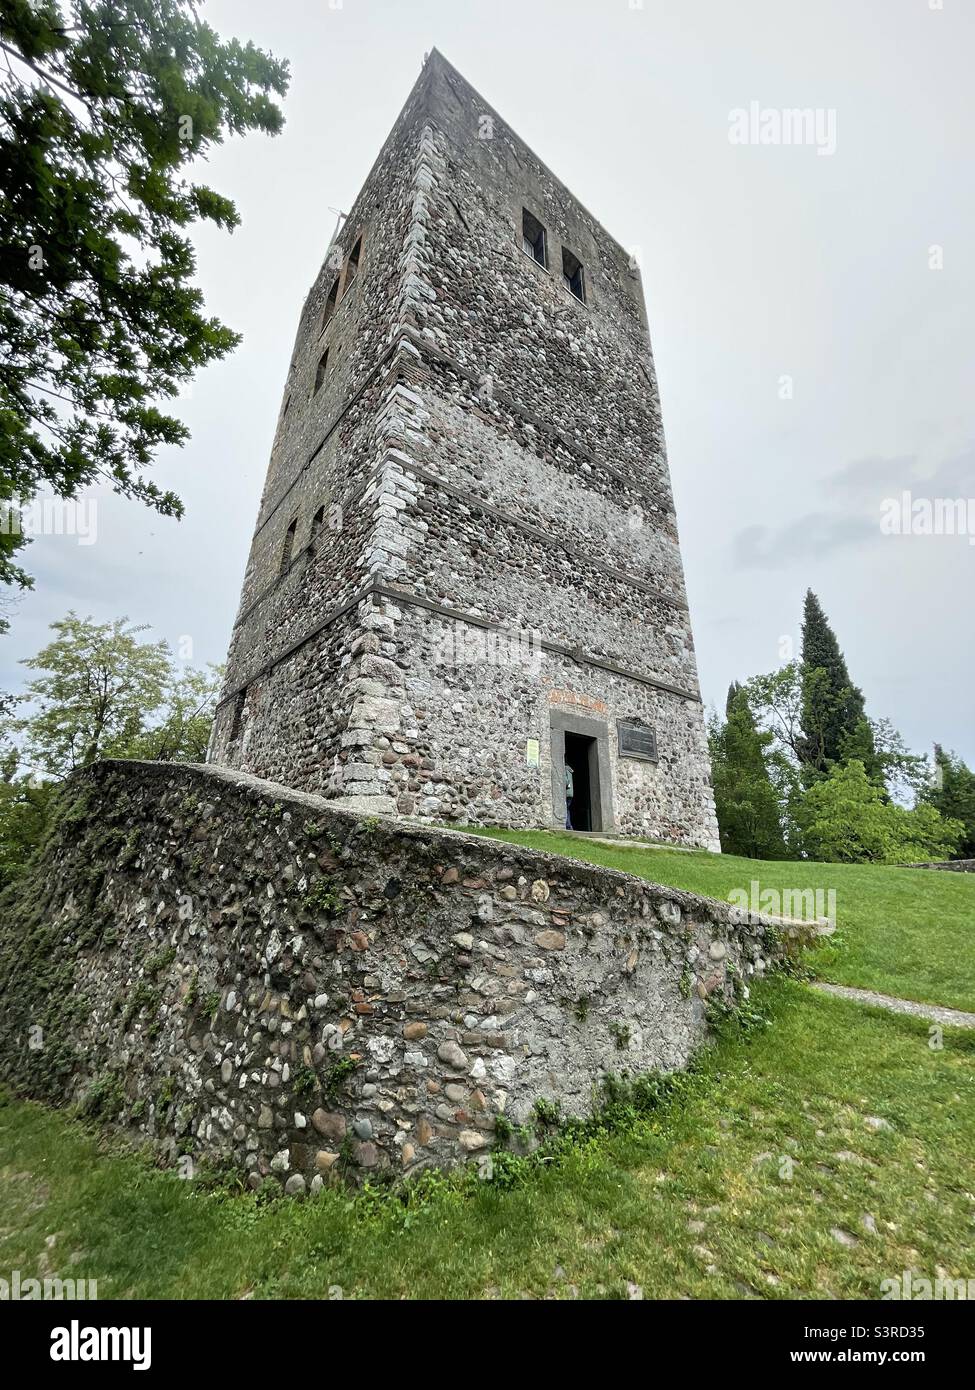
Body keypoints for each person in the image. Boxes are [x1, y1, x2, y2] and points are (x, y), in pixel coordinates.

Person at [565, 762, 574, 829]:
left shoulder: (565, 769)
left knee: (565, 809)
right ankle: (569, 825)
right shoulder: (570, 770)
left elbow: (566, 781)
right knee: (567, 809)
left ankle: (568, 825)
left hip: (566, 793)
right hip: (570, 793)